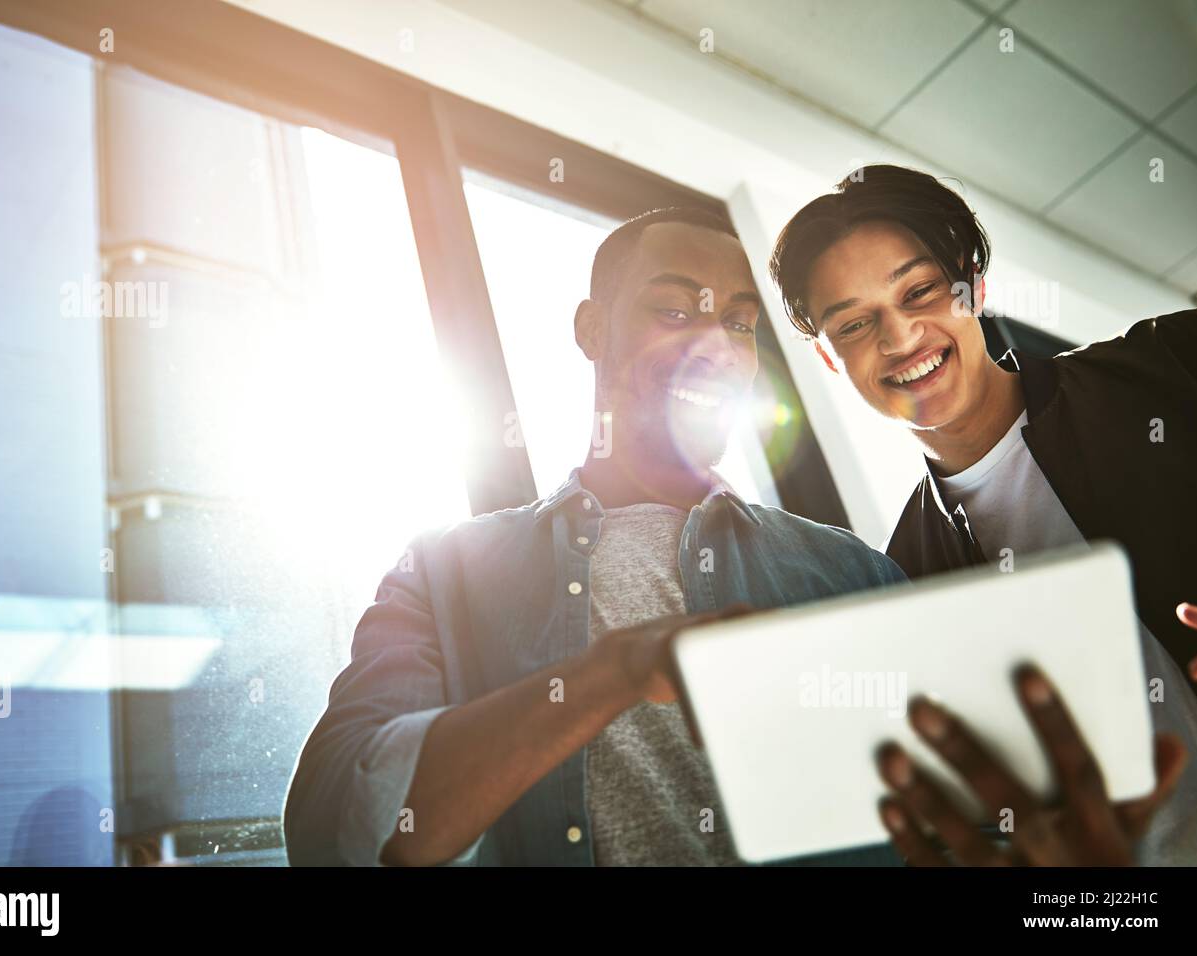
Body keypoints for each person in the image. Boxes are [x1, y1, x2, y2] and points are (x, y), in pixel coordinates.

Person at [283, 207, 911, 866]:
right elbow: (332, 830)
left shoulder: (851, 575)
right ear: (591, 329)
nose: (715, 348)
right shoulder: (443, 575)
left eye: (738, 323)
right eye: (673, 312)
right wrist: (613, 673)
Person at [769, 164, 1197, 864]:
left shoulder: (1174, 364)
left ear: (973, 286)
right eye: (854, 324)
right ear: (830, 359)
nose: (901, 336)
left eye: (918, 290)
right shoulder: (907, 581)